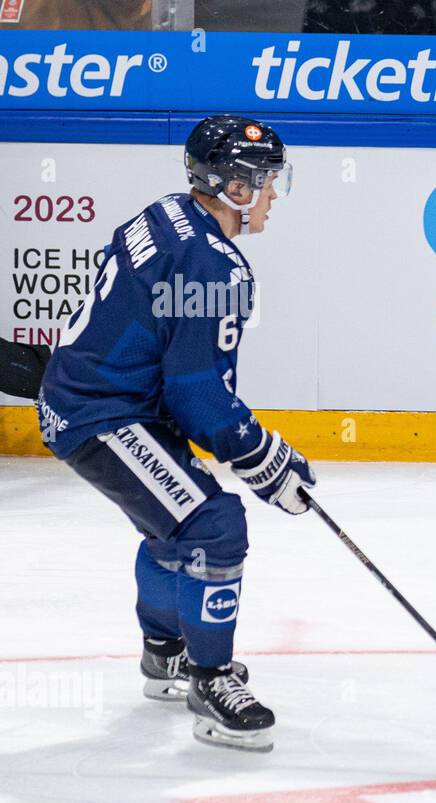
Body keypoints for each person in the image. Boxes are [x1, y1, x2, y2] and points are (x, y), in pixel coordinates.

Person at [36, 115, 316, 753]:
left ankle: (164, 653)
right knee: (215, 525)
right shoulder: (212, 265)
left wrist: (244, 448)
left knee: (173, 523)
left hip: (98, 399)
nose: (274, 195)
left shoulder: (168, 214)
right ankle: (210, 679)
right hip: (100, 414)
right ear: (234, 187)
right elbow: (197, 396)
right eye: (267, 181)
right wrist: (265, 459)